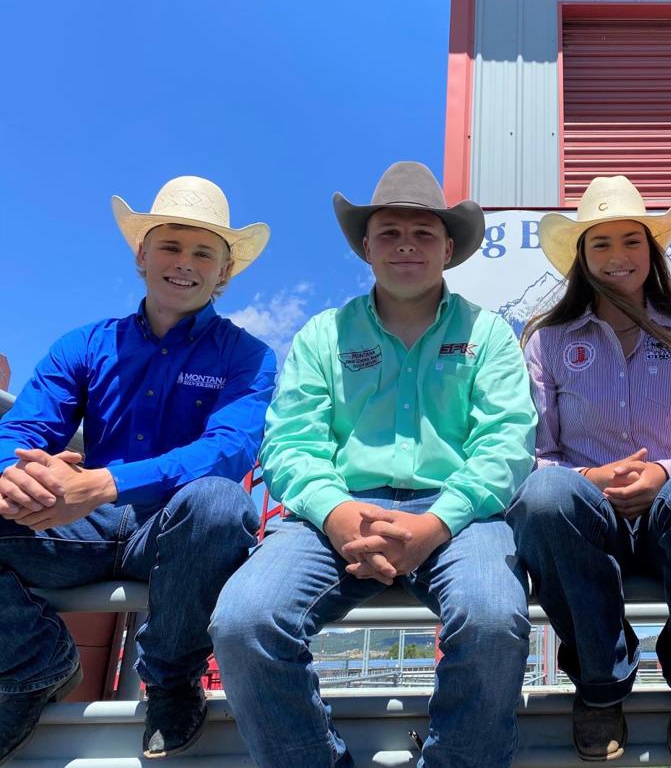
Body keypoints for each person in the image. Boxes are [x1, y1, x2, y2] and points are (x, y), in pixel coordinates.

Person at [210, 161, 537, 768]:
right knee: (244, 622)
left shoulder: (490, 335)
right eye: (389, 232)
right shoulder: (321, 335)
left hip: (458, 517)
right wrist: (336, 514)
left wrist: (435, 524)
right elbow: (290, 441)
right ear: (366, 246)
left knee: (494, 619)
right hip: (334, 513)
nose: (406, 243)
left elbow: (508, 444)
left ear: (449, 248)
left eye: (423, 232)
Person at [0, 176, 275, 762]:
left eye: (204, 252)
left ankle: (171, 679)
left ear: (224, 272)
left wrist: (103, 483)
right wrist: (13, 476)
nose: (185, 263)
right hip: (79, 525)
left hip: (171, 533)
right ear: (142, 255)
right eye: (171, 246)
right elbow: (21, 432)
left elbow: (228, 451)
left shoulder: (247, 356)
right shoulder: (84, 345)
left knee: (221, 504)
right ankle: (32, 660)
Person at [505, 176, 671, 767]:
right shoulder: (547, 340)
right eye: (601, 244)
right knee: (543, 496)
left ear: (652, 251)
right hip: (586, 520)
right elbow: (533, 451)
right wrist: (590, 483)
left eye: (631, 242)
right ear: (582, 259)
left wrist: (664, 476)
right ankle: (599, 683)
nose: (618, 257)